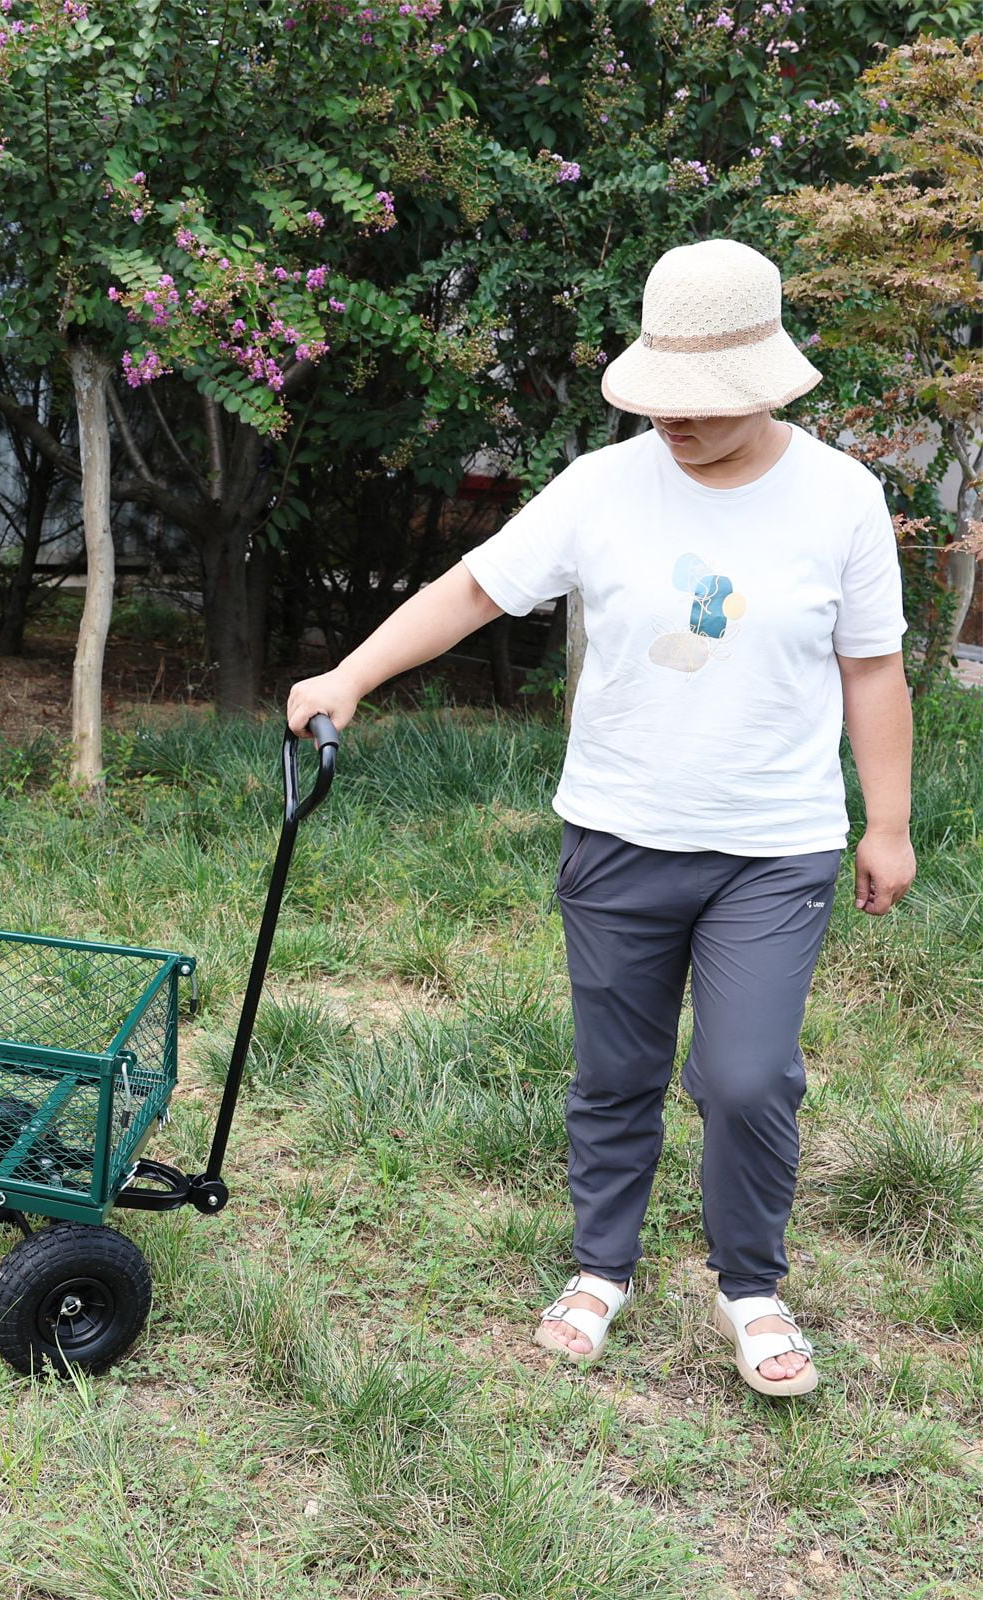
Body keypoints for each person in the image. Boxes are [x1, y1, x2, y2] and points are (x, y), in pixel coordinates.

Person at [285, 238, 915, 1398]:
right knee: (615, 1068)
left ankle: (751, 1286)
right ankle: (601, 1266)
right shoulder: (600, 484)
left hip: (773, 847)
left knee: (746, 1074)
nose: (673, 421)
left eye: (700, 403)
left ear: (766, 383)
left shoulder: (840, 497)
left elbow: (871, 669)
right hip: (619, 831)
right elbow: (475, 586)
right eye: (658, 398)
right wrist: (352, 675)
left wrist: (889, 822)